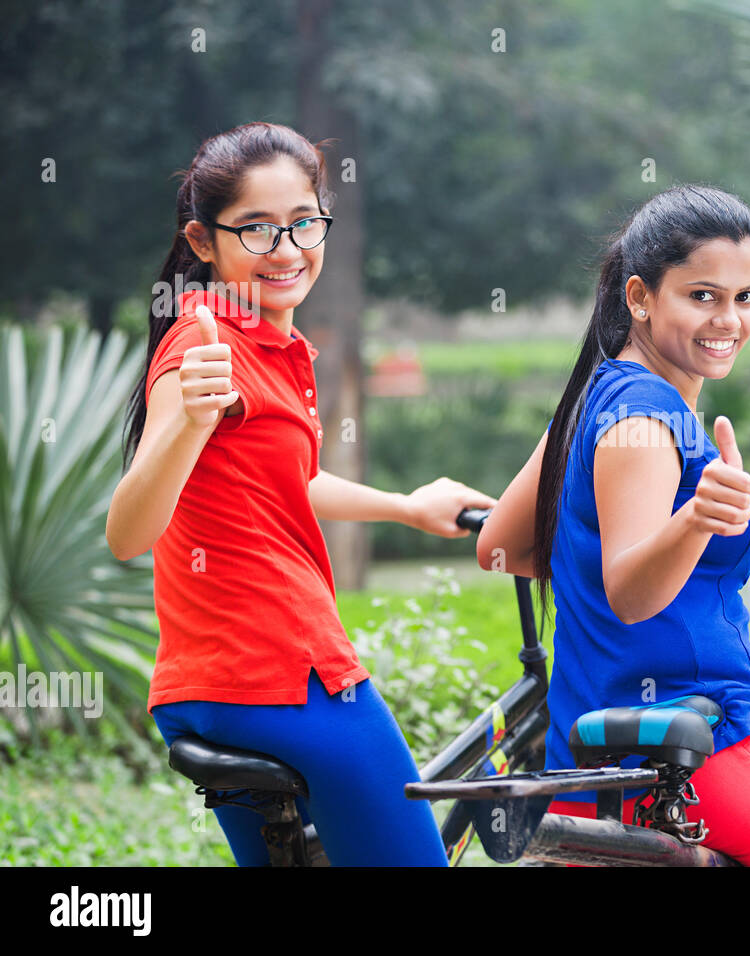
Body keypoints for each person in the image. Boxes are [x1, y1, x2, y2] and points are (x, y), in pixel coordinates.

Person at [477, 184, 750, 866]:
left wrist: (598, 531)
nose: (727, 319)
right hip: (690, 759)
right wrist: (697, 521)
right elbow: (631, 593)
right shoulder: (649, 417)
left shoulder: (599, 391)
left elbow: (500, 548)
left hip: (591, 757)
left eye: (746, 297)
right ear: (640, 297)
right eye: (701, 295)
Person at [107, 122, 496, 866]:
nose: (286, 250)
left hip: (206, 686)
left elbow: (285, 481)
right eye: (255, 229)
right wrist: (187, 423)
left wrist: (406, 506)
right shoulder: (204, 347)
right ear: (202, 240)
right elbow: (129, 530)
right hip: (284, 677)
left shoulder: (268, 341)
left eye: (303, 222)